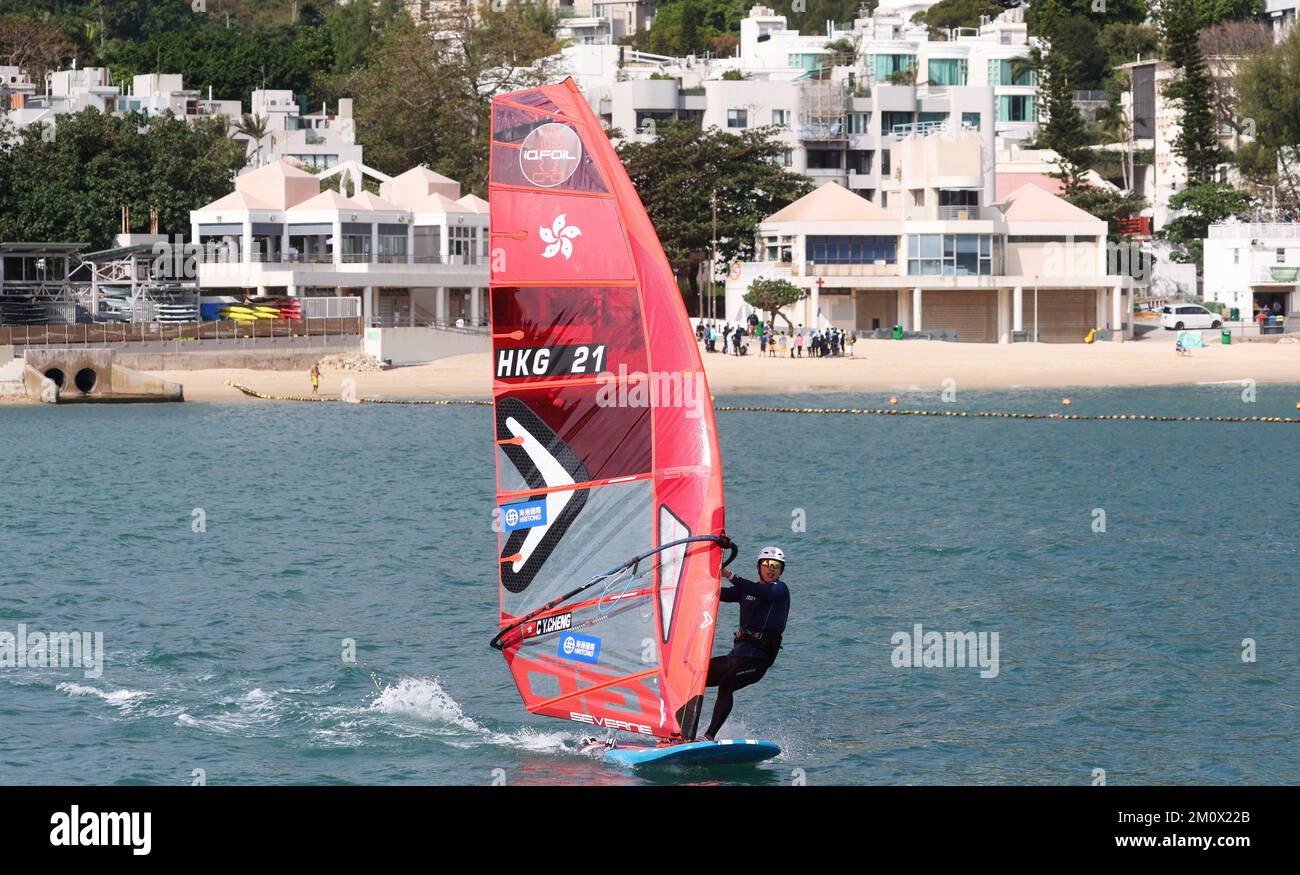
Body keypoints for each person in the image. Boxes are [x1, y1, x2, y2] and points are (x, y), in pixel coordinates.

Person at [700, 543, 790, 742]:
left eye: (776, 565)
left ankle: (708, 736)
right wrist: (698, 582)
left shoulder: (779, 591)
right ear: (759, 566)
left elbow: (764, 593)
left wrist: (730, 574)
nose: (771, 568)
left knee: (726, 684)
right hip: (737, 657)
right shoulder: (746, 591)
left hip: (757, 661)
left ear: (781, 570)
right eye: (766, 564)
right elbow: (715, 593)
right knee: (695, 677)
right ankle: (679, 730)